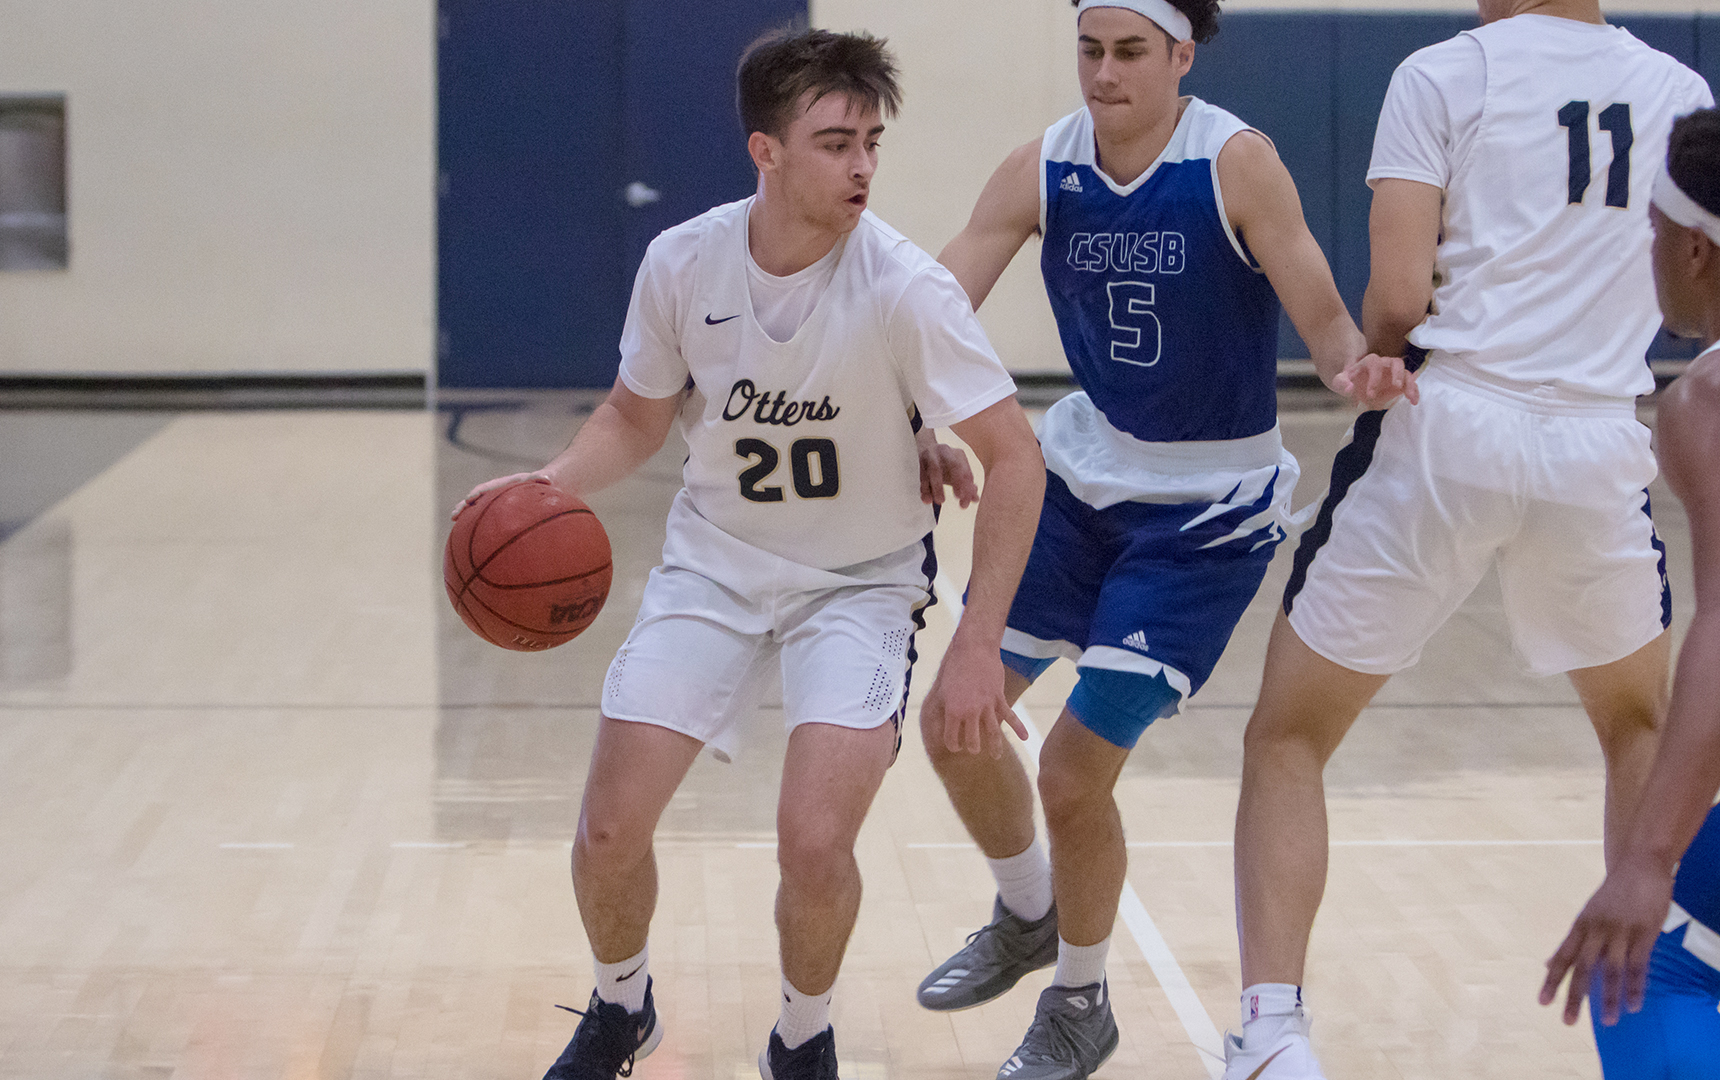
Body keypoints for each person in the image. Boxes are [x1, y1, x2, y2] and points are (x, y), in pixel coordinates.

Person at [451, 28, 1045, 1080]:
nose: (861, 166)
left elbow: (1015, 459)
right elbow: (634, 418)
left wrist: (976, 644)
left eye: (872, 143)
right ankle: (621, 1005)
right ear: (765, 152)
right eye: (835, 143)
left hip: (858, 586)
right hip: (716, 565)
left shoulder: (908, 287)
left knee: (814, 844)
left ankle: (802, 1035)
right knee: (606, 830)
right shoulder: (684, 262)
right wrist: (542, 487)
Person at [905, 1, 1394, 1076]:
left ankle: (1081, 1001)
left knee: (1072, 770)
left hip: (1205, 513)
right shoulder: (1043, 166)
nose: (1105, 73)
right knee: (954, 724)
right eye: (1091, 50)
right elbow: (932, 306)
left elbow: (1320, 312)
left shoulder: (1234, 162)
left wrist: (1353, 364)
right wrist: (909, 412)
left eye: (1131, 52)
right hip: (1081, 482)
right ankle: (1029, 911)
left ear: (1181, 56)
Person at [1226, 0, 1714, 1074]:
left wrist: (1378, 351)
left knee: (1289, 735)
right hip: (1597, 442)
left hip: (1450, 428)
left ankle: (1273, 1034)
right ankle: (1650, 1031)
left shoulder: (1445, 72)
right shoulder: (1681, 90)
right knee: (1637, 728)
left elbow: (1399, 297)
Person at [1540, 109, 1720, 1080]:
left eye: (1653, 230)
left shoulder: (1705, 402)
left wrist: (1647, 859)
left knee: (1637, 971)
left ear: (1694, 248)